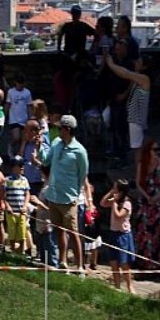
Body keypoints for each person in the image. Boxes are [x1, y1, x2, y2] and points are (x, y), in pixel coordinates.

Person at [42, 114, 89, 271]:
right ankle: (63, 262)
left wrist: (75, 194)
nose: (58, 130)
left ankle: (80, 265)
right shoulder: (56, 144)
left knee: (73, 232)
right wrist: (39, 149)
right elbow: (46, 161)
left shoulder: (80, 151)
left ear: (67, 130)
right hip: (54, 195)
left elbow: (82, 175)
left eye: (60, 128)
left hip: (69, 198)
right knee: (59, 230)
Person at [103, 48, 151, 168]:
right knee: (136, 148)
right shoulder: (137, 79)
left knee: (137, 149)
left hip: (137, 119)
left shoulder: (144, 78)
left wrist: (111, 64)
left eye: (139, 62)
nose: (135, 63)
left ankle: (139, 175)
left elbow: (125, 73)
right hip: (134, 118)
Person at [134, 137, 160, 266]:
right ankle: (142, 261)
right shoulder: (142, 164)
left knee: (155, 232)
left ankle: (154, 262)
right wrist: (147, 197)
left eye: (157, 149)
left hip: (157, 199)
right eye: (154, 149)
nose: (156, 152)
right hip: (145, 198)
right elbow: (138, 183)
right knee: (143, 229)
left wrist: (157, 196)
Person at [100, 178, 135, 293]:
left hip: (123, 235)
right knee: (113, 261)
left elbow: (119, 215)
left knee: (124, 263)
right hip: (113, 233)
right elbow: (103, 203)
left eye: (115, 188)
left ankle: (130, 286)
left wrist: (114, 202)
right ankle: (117, 286)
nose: (113, 190)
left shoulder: (126, 203)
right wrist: (110, 193)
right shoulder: (115, 199)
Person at [3, 156, 31, 255]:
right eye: (20, 166)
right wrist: (8, 206)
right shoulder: (7, 180)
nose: (22, 168)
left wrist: (25, 205)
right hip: (11, 212)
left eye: (23, 166)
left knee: (22, 232)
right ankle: (13, 250)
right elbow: (3, 196)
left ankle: (21, 250)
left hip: (21, 211)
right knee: (12, 232)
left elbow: (27, 193)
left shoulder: (24, 180)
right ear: (13, 167)